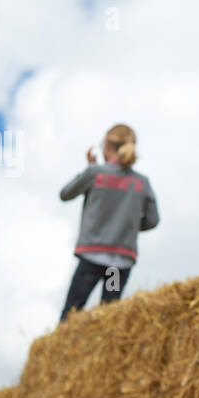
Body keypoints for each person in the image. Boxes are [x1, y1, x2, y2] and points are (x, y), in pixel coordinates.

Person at [58, 124, 159, 321]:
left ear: (107, 144)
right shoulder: (141, 183)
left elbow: (65, 194)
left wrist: (90, 168)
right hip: (118, 266)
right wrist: (127, 225)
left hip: (91, 260)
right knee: (108, 318)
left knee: (71, 313)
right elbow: (153, 220)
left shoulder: (95, 173)